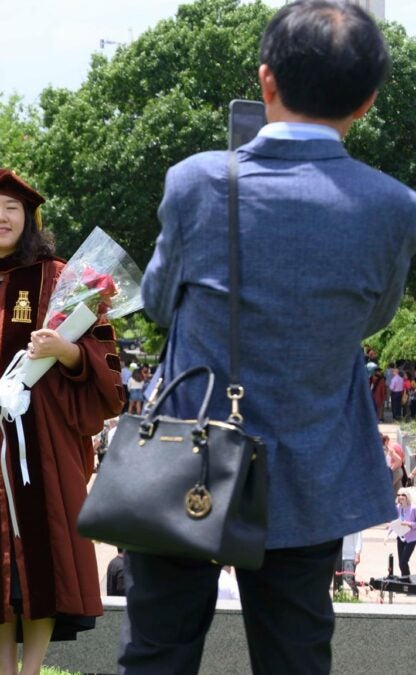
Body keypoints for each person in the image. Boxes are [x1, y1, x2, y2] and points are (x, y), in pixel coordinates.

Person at [123, 3, 416, 673]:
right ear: (368, 103)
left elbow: (163, 303)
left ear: (266, 80)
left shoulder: (197, 181)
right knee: (296, 655)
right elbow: (373, 317)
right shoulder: (394, 206)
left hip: (185, 454)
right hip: (312, 463)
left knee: (158, 651)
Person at [0, 168, 124, 675]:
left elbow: (105, 359)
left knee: (39, 555)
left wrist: (65, 351)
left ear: (29, 218)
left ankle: (33, 668)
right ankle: (4, 669)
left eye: (11, 209)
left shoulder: (62, 277)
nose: (0, 217)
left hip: (42, 444)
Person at [394, 489, 416, 579]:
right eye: (399, 495)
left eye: (403, 495)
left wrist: (408, 524)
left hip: (411, 539)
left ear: (407, 496)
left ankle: (407, 583)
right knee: (401, 563)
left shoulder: (413, 508)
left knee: (403, 562)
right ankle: (405, 582)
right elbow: (395, 522)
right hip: (400, 537)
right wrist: (387, 535)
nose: (400, 497)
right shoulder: (398, 507)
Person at [334, 531, 362, 598]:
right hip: (337, 555)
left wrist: (357, 554)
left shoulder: (353, 522)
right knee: (339, 578)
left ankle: (355, 592)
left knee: (348, 577)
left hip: (350, 556)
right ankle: (338, 597)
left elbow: (358, 538)